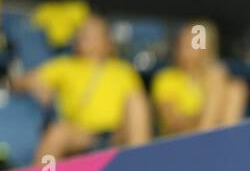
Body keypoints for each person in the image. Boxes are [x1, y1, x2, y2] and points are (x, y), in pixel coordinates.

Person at [12, 14, 150, 160]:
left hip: (117, 135)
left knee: (136, 102)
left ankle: (140, 163)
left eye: (91, 34)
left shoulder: (124, 70)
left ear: (106, 40)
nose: (84, 37)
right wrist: (37, 85)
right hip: (83, 136)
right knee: (57, 133)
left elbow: (136, 108)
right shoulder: (66, 66)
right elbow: (20, 81)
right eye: (82, 33)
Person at [150, 20, 248, 136]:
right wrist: (207, 111)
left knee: (236, 88)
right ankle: (204, 140)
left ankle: (224, 144)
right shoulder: (166, 78)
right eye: (180, 43)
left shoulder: (215, 80)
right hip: (179, 142)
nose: (182, 48)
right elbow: (173, 123)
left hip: (215, 138)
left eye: (188, 44)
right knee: (218, 83)